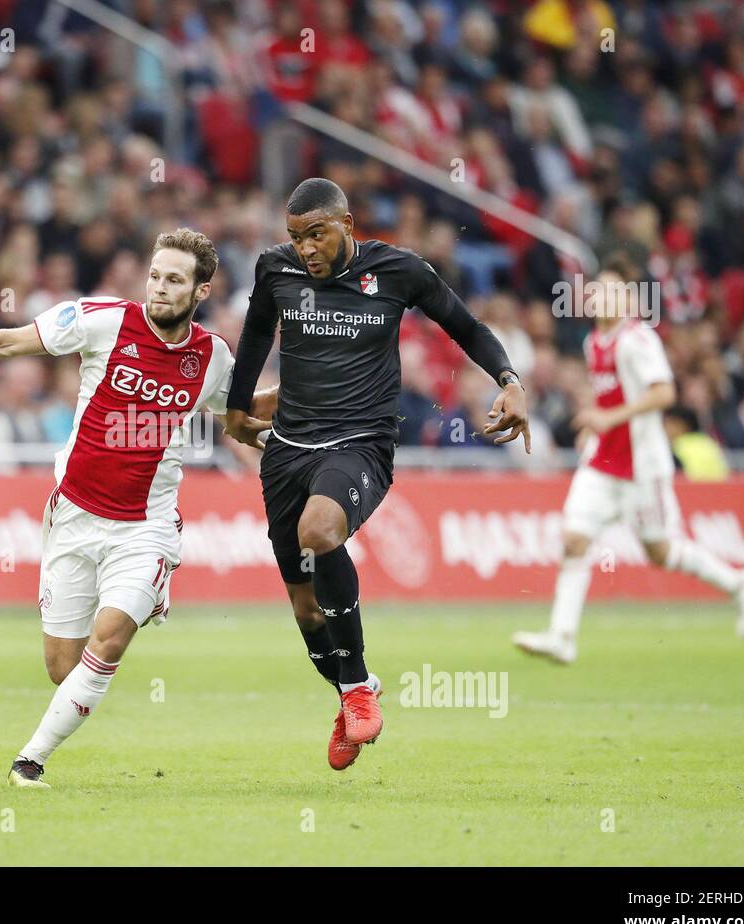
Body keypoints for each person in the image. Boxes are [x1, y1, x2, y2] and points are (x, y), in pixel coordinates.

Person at [0, 228, 274, 788]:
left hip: (146, 525)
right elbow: (7, 342)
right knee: (62, 667)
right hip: (74, 517)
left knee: (109, 639)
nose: (159, 288)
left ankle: (28, 762)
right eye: (155, 275)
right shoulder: (101, 320)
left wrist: (319, 393)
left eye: (175, 280)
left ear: (201, 292)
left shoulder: (212, 356)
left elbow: (238, 414)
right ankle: (78, 689)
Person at [222, 178, 529, 771]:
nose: (306, 248)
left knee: (320, 530)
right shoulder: (275, 272)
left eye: (316, 234)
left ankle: (358, 684)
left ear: (347, 225)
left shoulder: (399, 272)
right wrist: (238, 407)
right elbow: (258, 333)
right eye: (295, 237)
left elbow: (465, 326)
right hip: (287, 448)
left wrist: (510, 381)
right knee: (307, 612)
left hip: (361, 444)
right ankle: (347, 692)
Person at [513, 260, 744, 664]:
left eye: (610, 291)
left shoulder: (637, 340)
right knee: (575, 538)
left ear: (627, 299)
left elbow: (664, 394)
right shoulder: (594, 342)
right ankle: (562, 636)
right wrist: (596, 423)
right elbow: (610, 395)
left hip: (643, 468)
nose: (599, 298)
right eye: (595, 291)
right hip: (602, 462)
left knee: (660, 552)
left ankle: (737, 582)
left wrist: (609, 418)